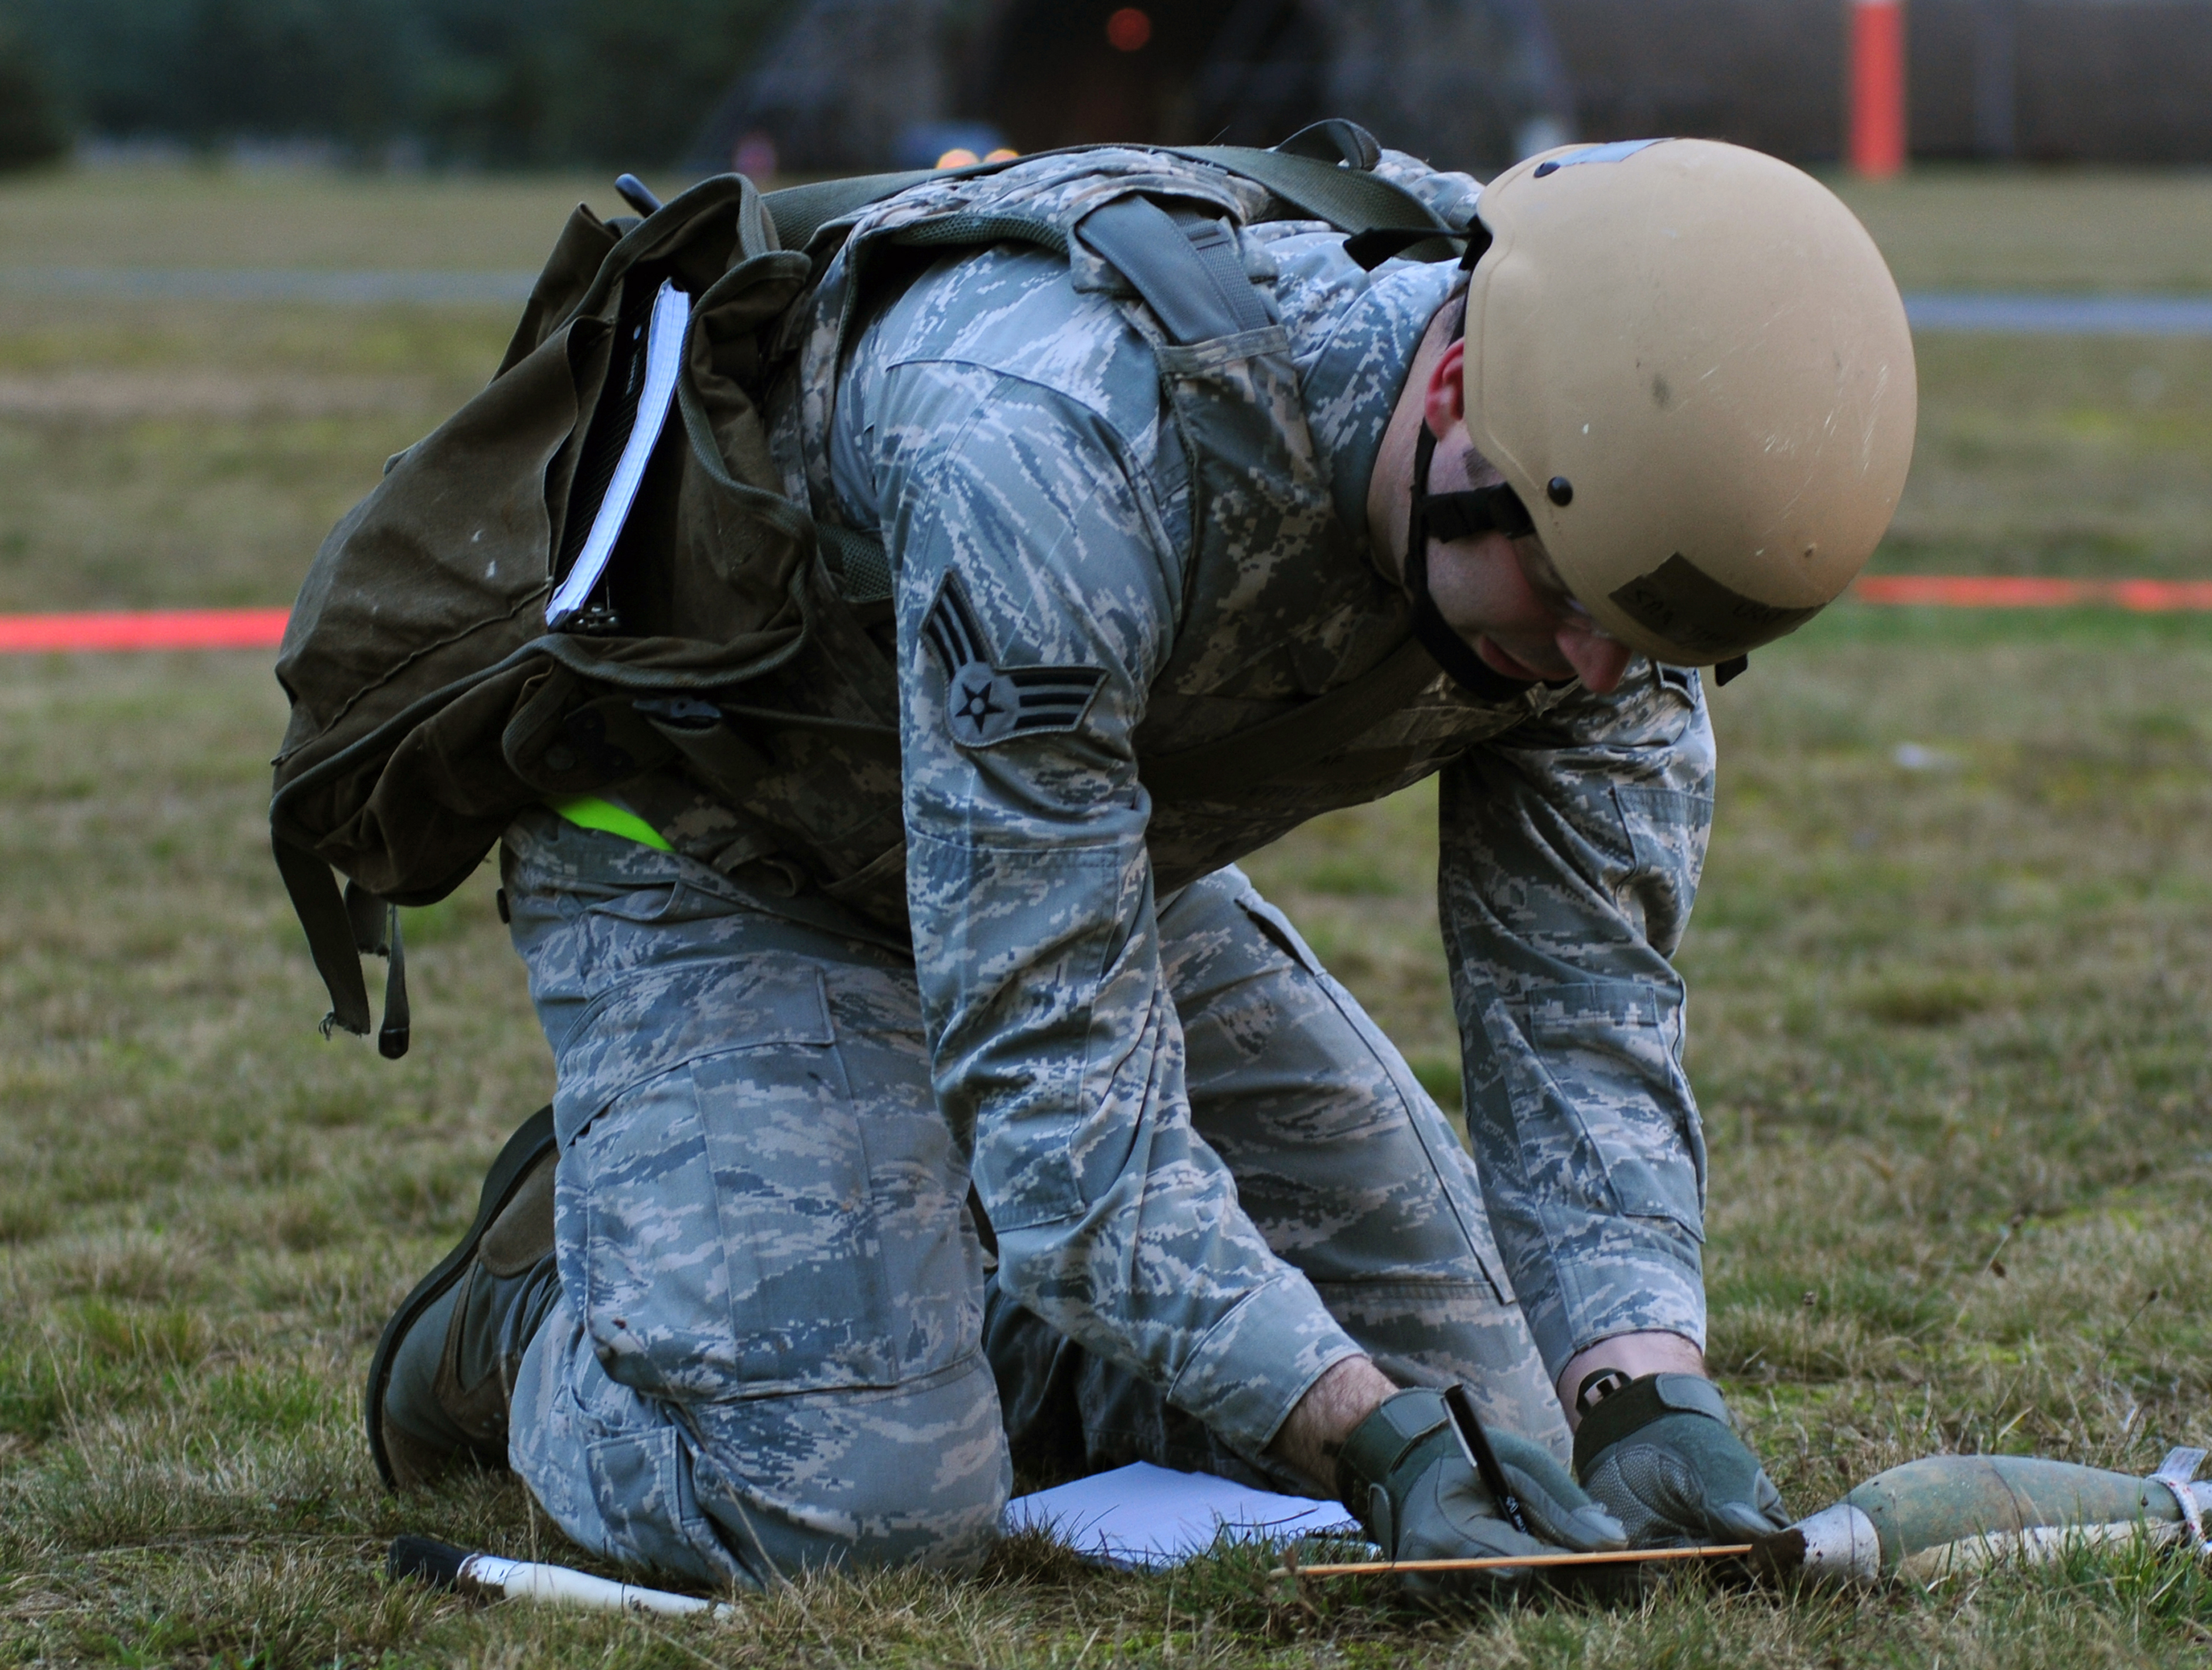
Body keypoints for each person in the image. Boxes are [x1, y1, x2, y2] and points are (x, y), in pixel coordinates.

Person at [364, 130, 1915, 1587]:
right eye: (1561, 595)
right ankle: (545, 1316)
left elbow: (1579, 1007)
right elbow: (1055, 1071)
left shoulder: (1613, 549)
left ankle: (920, 1297)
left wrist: (1647, 1390)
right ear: (1452, 389)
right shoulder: (1061, 440)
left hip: (1083, 858)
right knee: (848, 1507)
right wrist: (1349, 1424)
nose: (1590, 672)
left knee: (1503, 1431)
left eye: (1638, 641)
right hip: (717, 859)